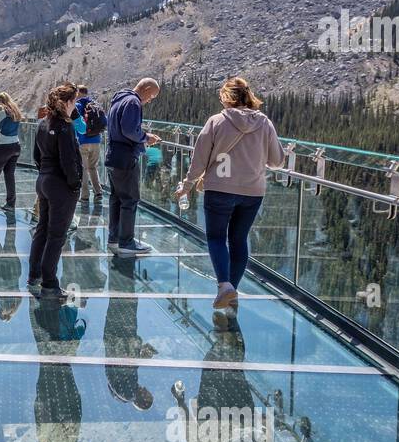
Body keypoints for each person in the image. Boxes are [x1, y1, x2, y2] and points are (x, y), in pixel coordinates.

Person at [175, 77, 286, 310]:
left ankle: (224, 285)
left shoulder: (216, 121)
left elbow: (199, 159)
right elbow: (277, 161)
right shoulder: (264, 122)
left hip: (219, 189)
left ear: (227, 98)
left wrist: (187, 184)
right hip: (253, 191)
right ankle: (231, 289)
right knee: (239, 240)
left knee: (216, 237)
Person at [27, 83, 82, 298]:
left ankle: (34, 274)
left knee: (42, 229)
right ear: (68, 102)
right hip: (60, 186)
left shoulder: (42, 123)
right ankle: (50, 283)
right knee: (57, 235)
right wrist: (75, 184)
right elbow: (69, 160)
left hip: (43, 182)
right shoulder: (65, 126)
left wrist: (46, 174)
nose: (75, 105)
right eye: (74, 101)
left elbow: (36, 156)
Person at [104, 78, 161, 256]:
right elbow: (129, 130)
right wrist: (146, 138)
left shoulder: (119, 99)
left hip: (113, 156)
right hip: (126, 158)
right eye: (151, 96)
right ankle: (126, 242)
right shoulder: (133, 101)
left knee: (116, 199)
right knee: (129, 199)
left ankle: (114, 238)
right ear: (146, 89)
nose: (150, 100)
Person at [75, 86, 106, 205]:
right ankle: (98, 192)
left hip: (82, 141)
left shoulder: (77, 105)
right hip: (96, 141)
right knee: (93, 167)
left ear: (78, 93)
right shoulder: (95, 105)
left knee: (83, 169)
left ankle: (85, 196)